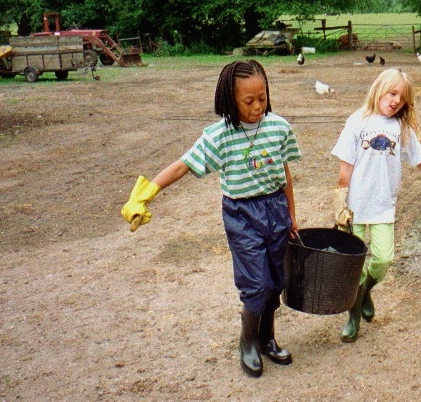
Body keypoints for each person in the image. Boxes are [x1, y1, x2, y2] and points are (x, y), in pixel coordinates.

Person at [120, 60, 301, 378]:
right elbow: (182, 165)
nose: (257, 106)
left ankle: (267, 338)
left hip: (275, 210)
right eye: (248, 101)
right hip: (242, 215)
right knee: (256, 284)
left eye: (262, 98)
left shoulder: (279, 127)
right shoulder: (220, 136)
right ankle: (247, 342)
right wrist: (147, 192)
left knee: (276, 281)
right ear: (231, 100)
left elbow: (284, 173)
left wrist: (292, 214)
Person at [331, 68, 421, 342]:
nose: (397, 100)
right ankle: (353, 316)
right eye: (393, 93)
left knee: (383, 260)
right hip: (356, 207)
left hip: (384, 206)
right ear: (379, 89)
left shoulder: (402, 128)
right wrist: (339, 203)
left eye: (403, 98)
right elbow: (345, 166)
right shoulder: (357, 121)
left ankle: (366, 292)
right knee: (356, 265)